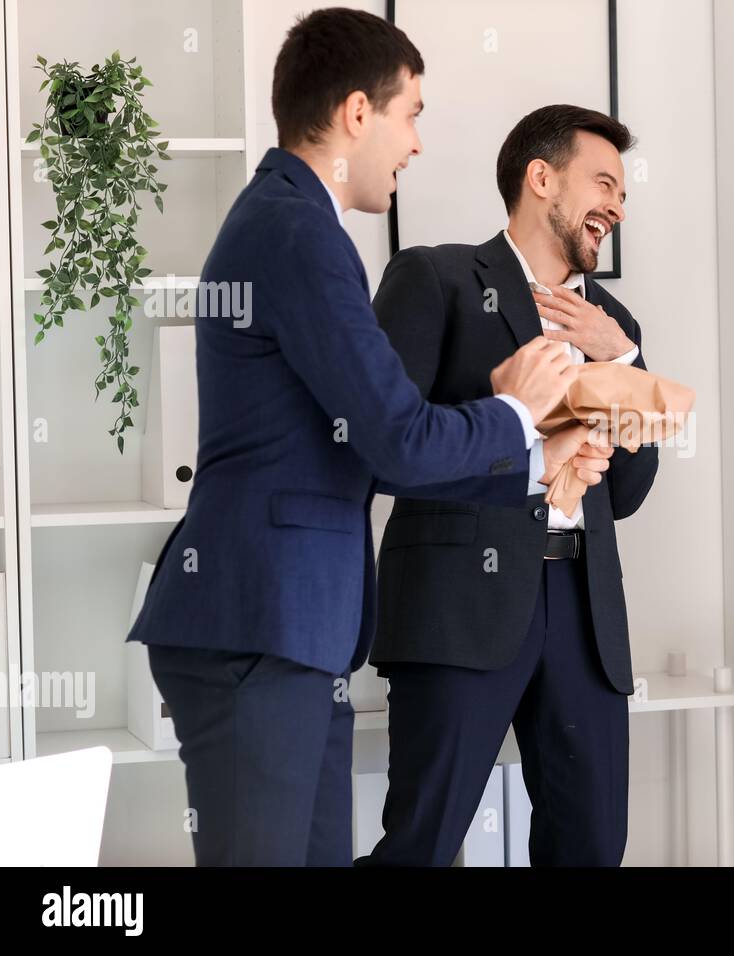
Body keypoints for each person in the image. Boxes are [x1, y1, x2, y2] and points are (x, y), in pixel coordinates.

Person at [126, 8, 607, 867]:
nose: (417, 142)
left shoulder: (300, 224)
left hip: (296, 631)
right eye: (411, 112)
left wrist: (526, 440)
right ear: (357, 113)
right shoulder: (295, 231)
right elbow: (394, 439)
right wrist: (515, 418)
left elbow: (366, 435)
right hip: (259, 625)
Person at [359, 105, 657, 867]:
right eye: (603, 183)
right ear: (540, 178)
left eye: (622, 192)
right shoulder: (437, 278)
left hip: (584, 617)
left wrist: (623, 366)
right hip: (458, 605)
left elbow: (627, 491)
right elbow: (386, 450)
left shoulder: (613, 321)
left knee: (591, 846)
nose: (617, 206)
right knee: (422, 845)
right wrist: (522, 439)